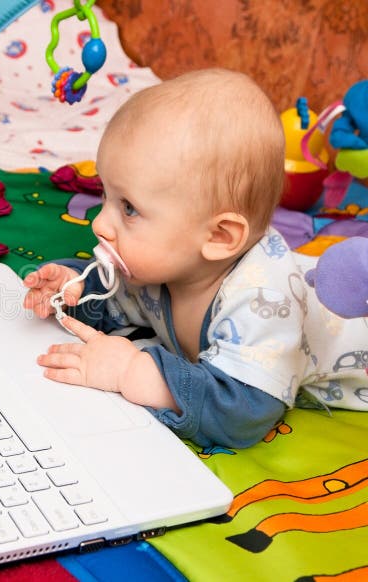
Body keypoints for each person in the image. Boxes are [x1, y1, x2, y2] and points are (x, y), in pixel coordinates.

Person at [22, 68, 368, 449]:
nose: (101, 224)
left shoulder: (261, 300)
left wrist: (131, 371)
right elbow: (111, 302)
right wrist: (72, 289)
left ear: (219, 237)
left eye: (130, 209)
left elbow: (246, 411)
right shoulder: (163, 265)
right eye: (105, 195)